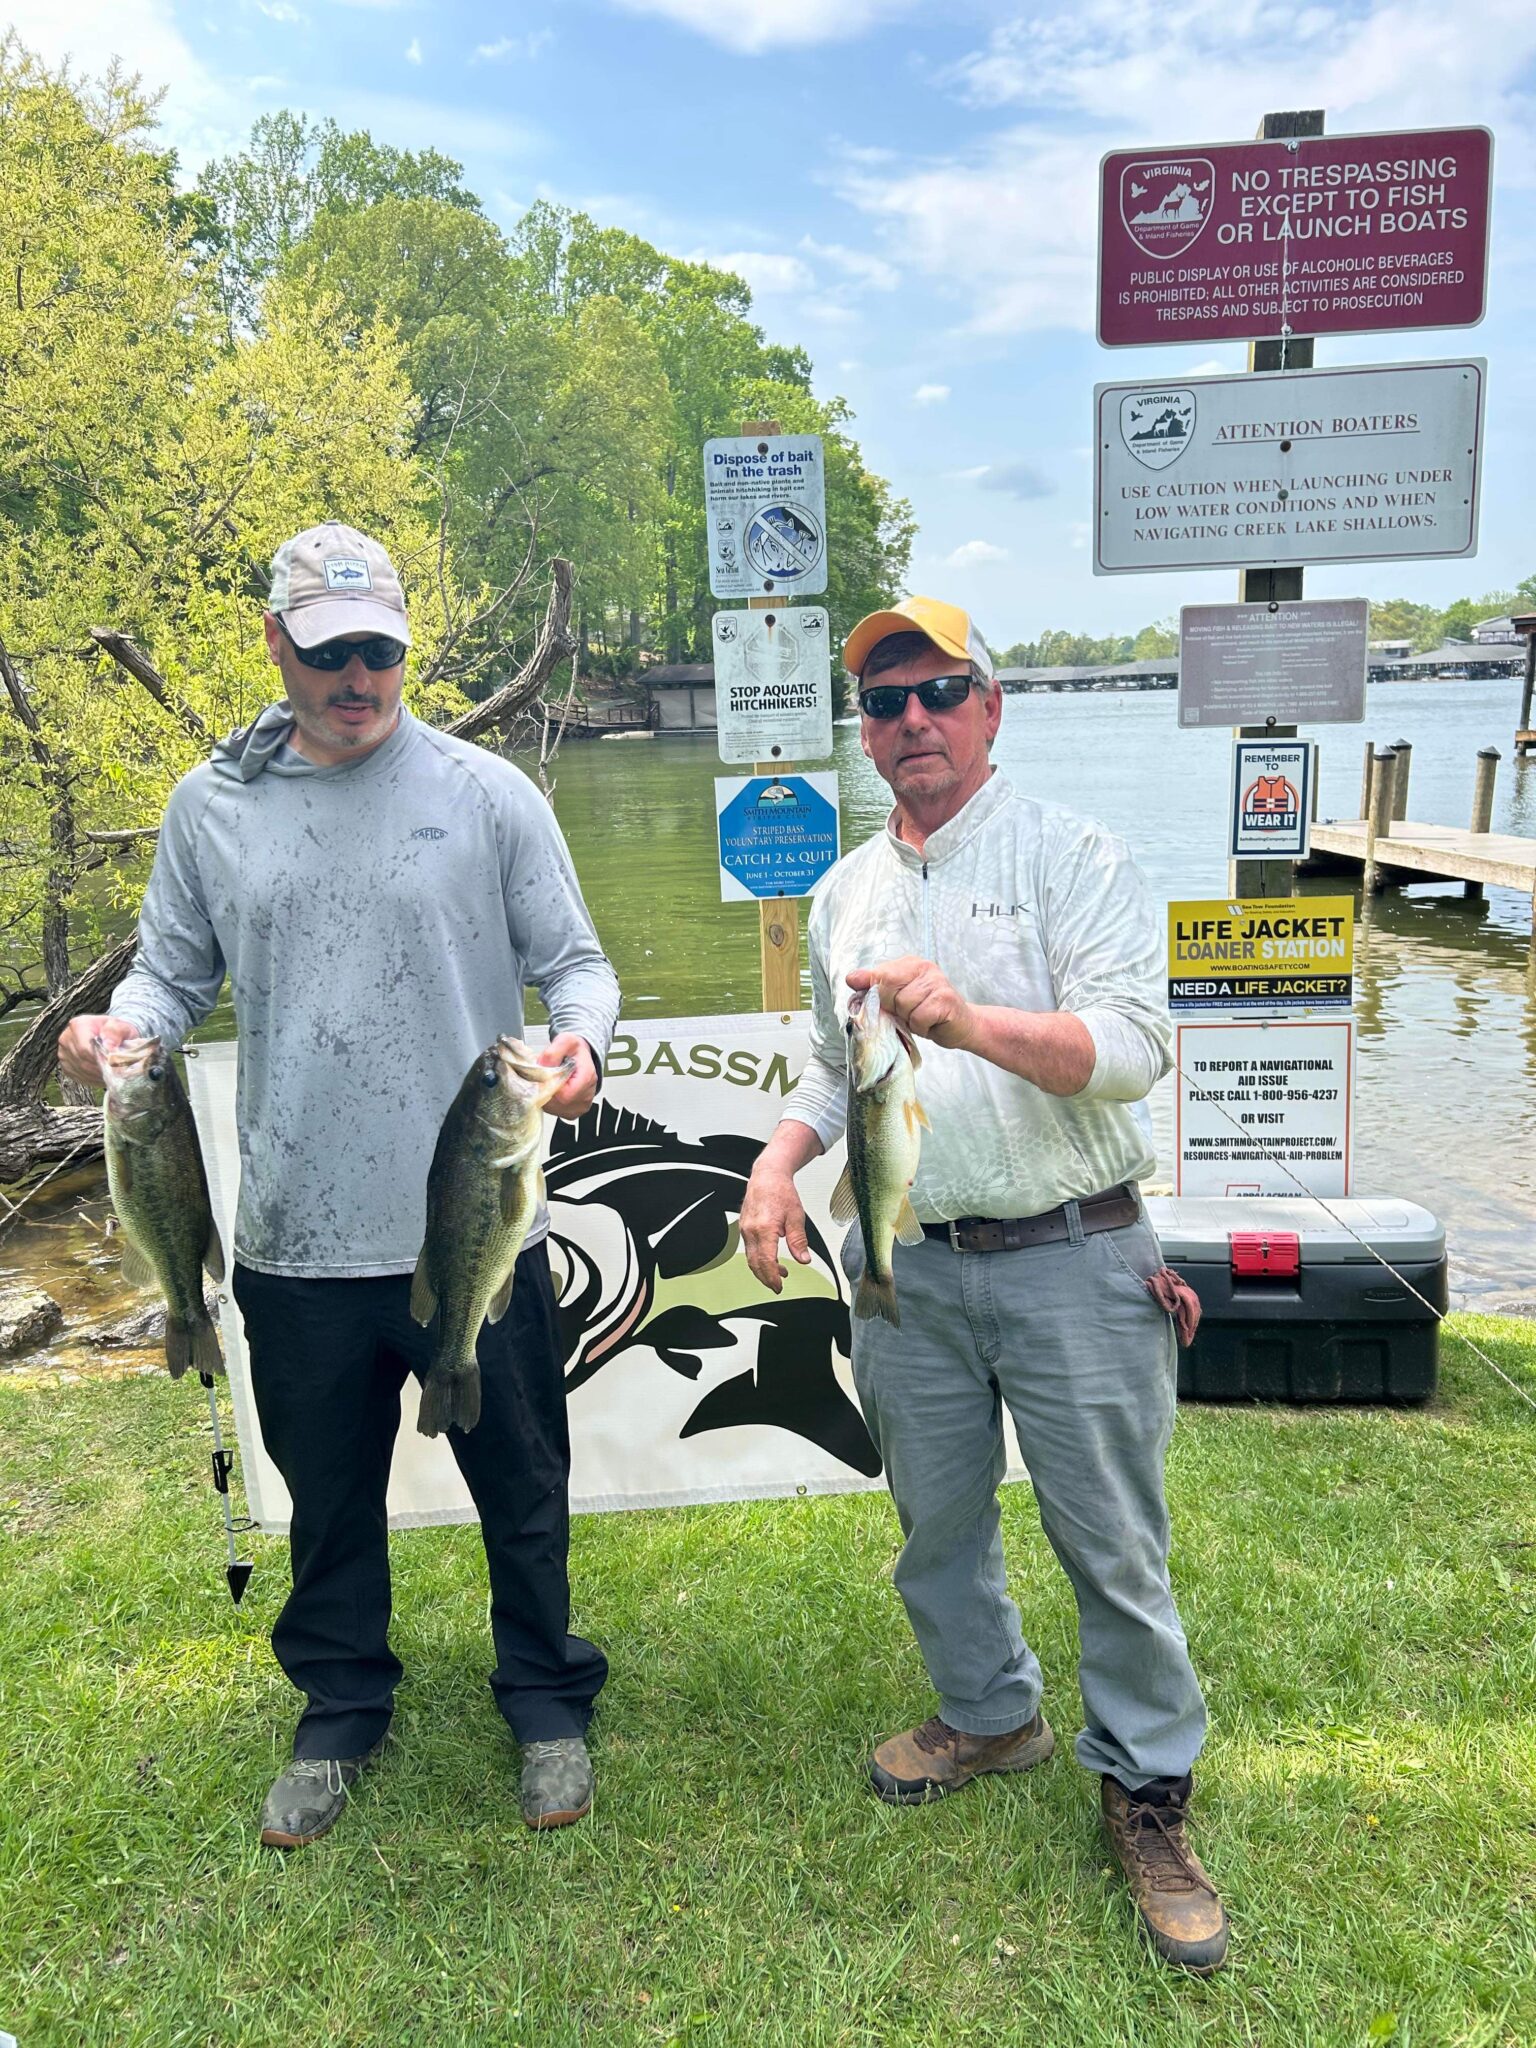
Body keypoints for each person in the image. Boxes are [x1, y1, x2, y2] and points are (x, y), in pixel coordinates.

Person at [59, 522, 618, 1847]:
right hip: (294, 1231)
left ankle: (545, 1695)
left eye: (377, 652)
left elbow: (578, 964)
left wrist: (581, 1043)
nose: (355, 679)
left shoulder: (488, 795)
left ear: (405, 649)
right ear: (278, 646)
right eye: (328, 655)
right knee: (326, 1496)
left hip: (474, 1221)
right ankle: (340, 1703)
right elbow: (168, 976)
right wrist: (117, 1030)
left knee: (523, 1481)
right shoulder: (214, 806)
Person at [739, 597, 1228, 1974]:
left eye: (937, 692)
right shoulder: (843, 892)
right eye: (883, 704)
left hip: (1078, 1249)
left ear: (991, 707)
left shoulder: (1076, 855)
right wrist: (781, 1167)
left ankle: (1146, 1789)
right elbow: (833, 1078)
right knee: (934, 1524)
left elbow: (1134, 1051)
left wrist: (966, 1019)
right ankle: (991, 1711)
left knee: (1111, 1545)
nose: (910, 724)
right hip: (918, 1268)